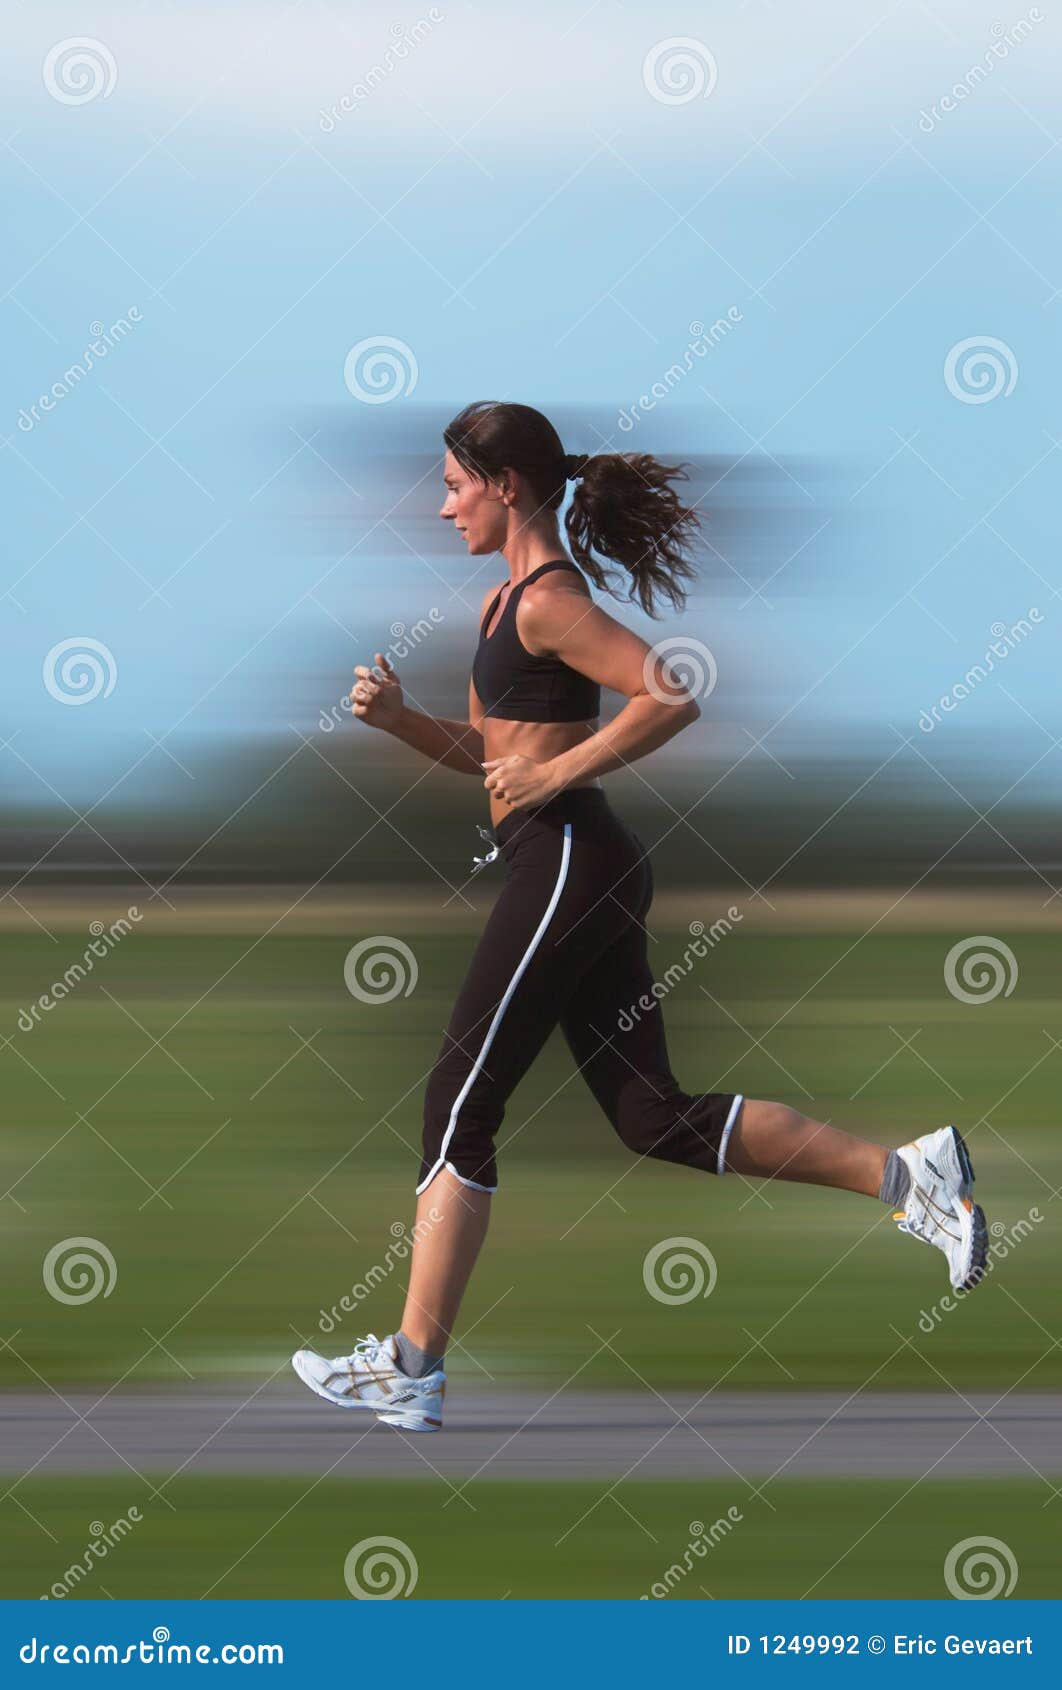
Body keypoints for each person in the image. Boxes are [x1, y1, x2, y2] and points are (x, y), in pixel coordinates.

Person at [292, 401, 987, 1432]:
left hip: (568, 859)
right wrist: (400, 723)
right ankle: (910, 1177)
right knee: (650, 1118)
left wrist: (556, 774)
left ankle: (411, 1366)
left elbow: (669, 694)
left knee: (459, 1101)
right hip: (574, 861)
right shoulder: (501, 606)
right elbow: (494, 756)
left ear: (506, 487)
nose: (443, 509)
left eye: (454, 487)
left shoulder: (548, 602)